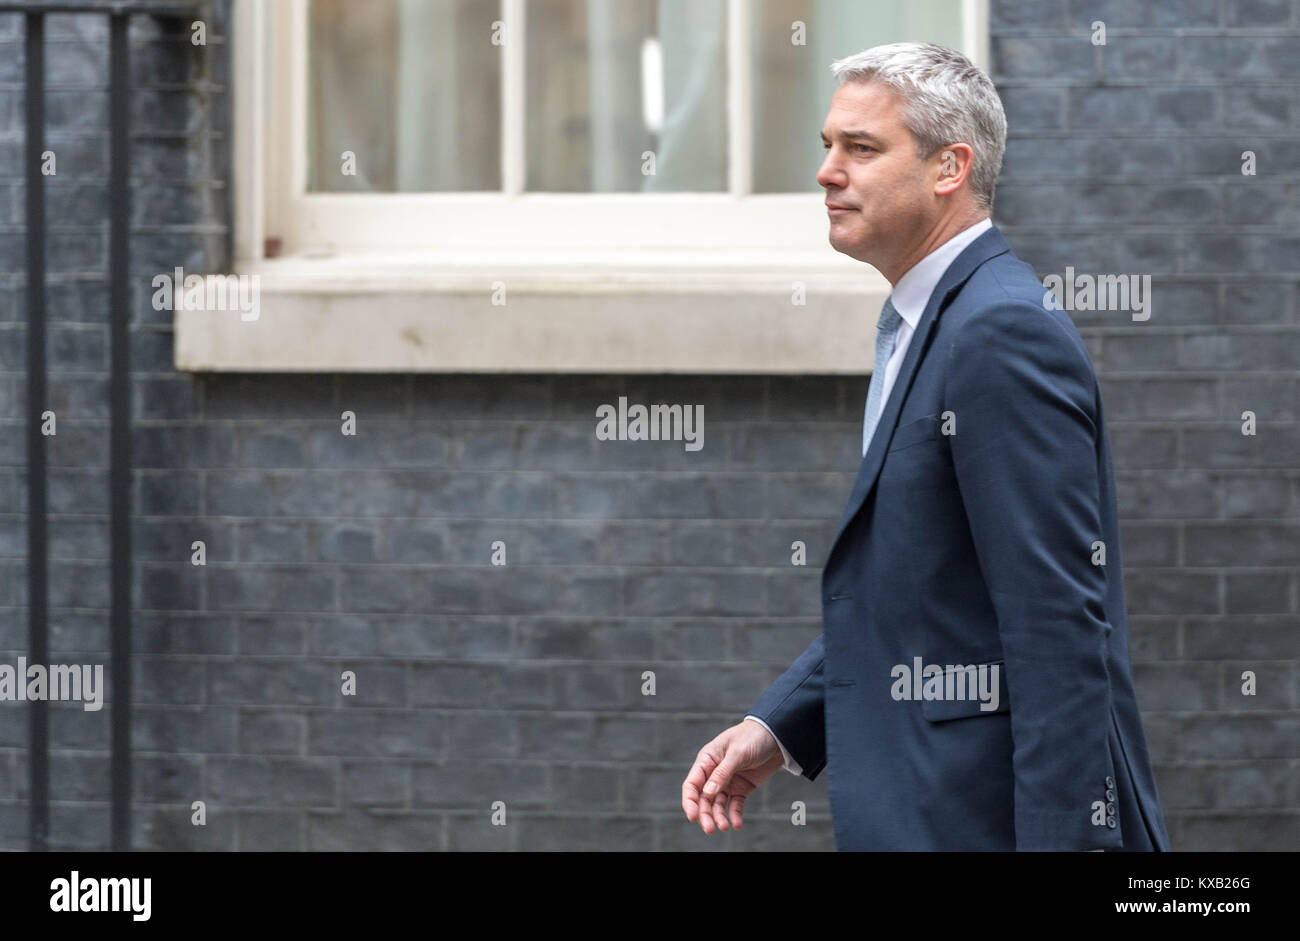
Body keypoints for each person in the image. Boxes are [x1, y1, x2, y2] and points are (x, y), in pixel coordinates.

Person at [680, 42, 1170, 851]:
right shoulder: (924, 319)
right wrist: (780, 723)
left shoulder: (999, 332)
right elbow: (917, 583)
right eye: (827, 146)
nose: (827, 171)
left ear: (951, 167)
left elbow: (1057, 630)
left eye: (861, 148)